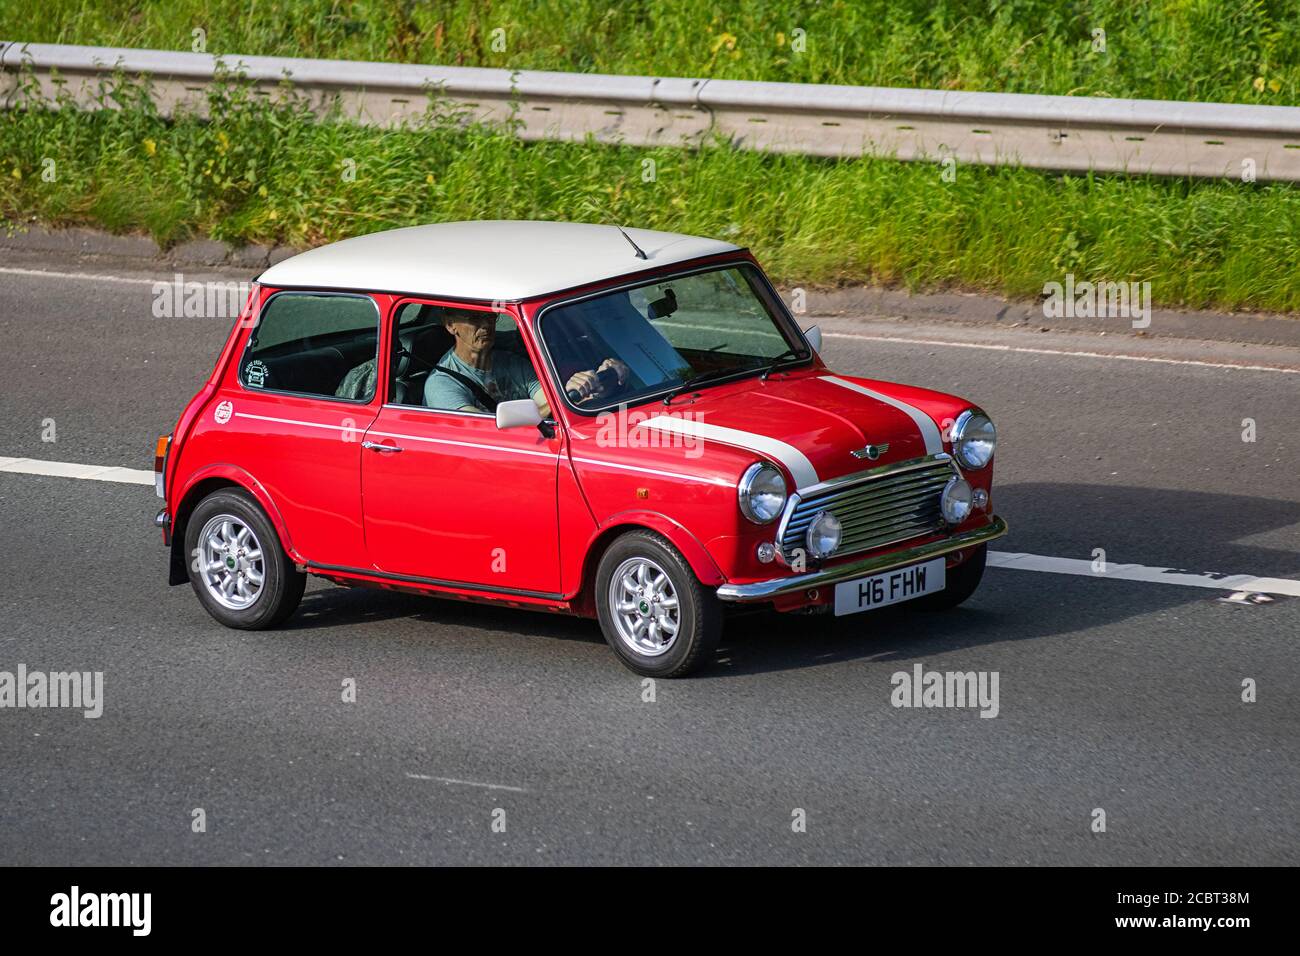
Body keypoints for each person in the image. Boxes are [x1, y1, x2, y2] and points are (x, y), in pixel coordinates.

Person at [424, 309, 627, 416]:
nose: (486, 324)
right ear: (450, 325)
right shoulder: (441, 384)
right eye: (475, 318)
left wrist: (595, 387)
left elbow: (547, 403)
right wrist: (563, 398)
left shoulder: (511, 363)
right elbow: (486, 431)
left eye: (490, 317)